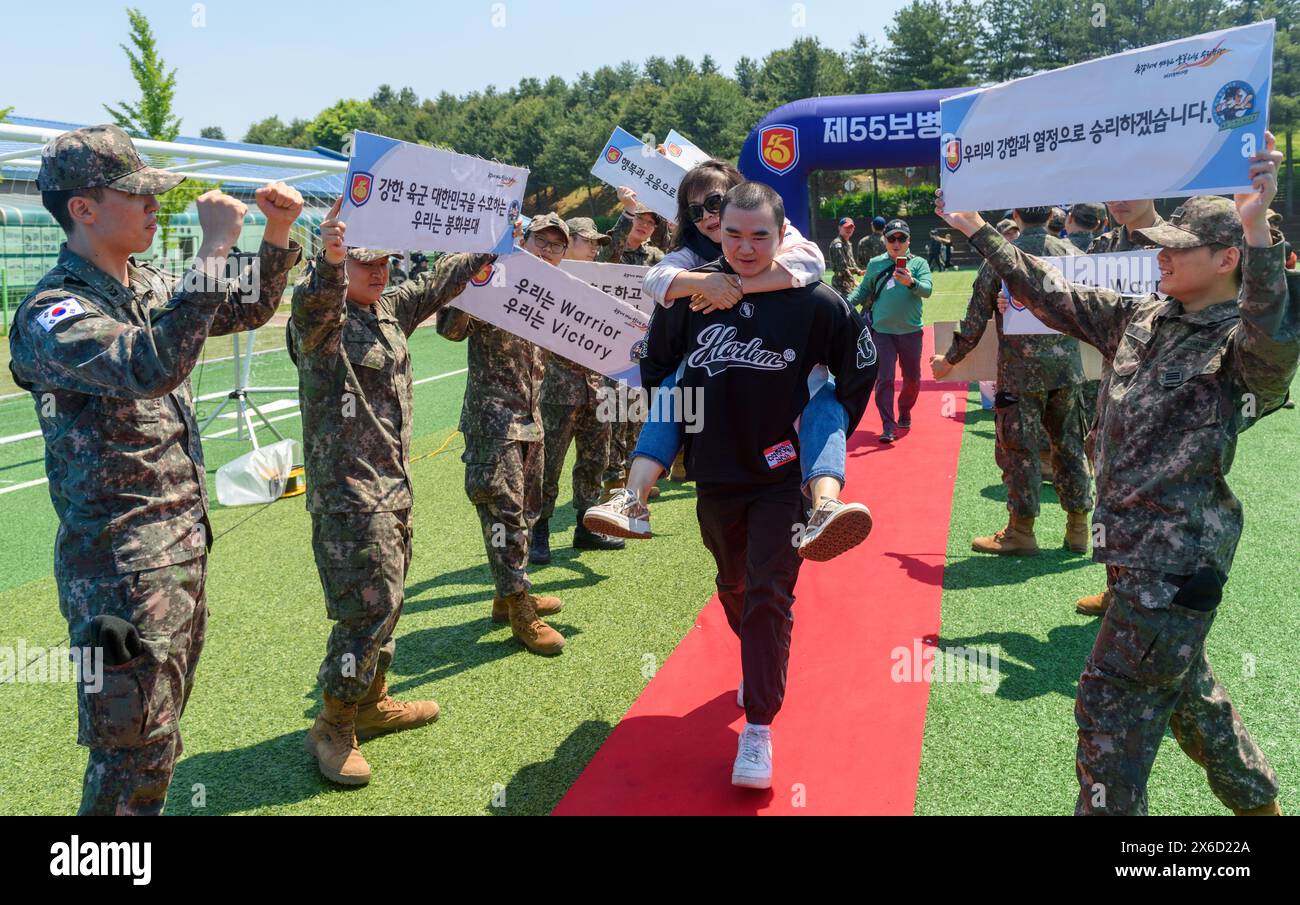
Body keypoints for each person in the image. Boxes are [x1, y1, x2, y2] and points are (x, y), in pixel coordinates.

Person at [935, 131, 1293, 817]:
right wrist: (978, 229)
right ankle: (1260, 809)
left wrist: (1258, 233)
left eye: (1176, 246)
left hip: (1174, 566)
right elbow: (1051, 291)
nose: (1160, 254)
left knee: (1107, 709)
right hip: (1130, 559)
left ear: (1224, 259)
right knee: (1190, 698)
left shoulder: (1240, 349)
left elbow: (1272, 344)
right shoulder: (1145, 316)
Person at [7, 124, 303, 814]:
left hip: (178, 550)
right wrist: (215, 248)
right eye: (134, 194)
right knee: (128, 750)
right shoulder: (52, 312)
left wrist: (279, 234)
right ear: (82, 209)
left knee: (158, 740)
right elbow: (151, 364)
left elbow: (248, 305)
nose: (153, 206)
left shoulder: (148, 281)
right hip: (115, 573)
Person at [642, 182, 877, 789]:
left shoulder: (814, 300)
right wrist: (678, 438)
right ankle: (757, 653)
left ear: (782, 236)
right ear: (717, 228)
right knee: (736, 584)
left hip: (781, 477)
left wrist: (829, 421)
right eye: (735, 234)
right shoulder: (689, 295)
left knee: (771, 591)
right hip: (716, 471)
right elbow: (658, 367)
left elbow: (860, 358)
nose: (746, 248)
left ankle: (759, 728)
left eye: (761, 236)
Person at [289, 198, 493, 785]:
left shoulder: (386, 310)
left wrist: (489, 243)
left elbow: (436, 283)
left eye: (383, 262)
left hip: (394, 487)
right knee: (365, 609)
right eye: (362, 263)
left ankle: (372, 700)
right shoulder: (321, 320)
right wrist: (328, 261)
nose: (377, 272)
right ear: (341, 264)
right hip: (350, 496)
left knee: (391, 600)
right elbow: (313, 300)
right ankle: (332, 724)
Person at [584, 159, 873, 562]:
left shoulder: (786, 244)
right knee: (672, 389)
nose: (709, 217)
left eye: (716, 203)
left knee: (824, 395)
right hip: (715, 420)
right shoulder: (688, 262)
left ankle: (825, 502)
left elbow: (810, 265)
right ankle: (633, 498)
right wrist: (704, 282)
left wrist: (738, 285)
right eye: (695, 209)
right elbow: (655, 282)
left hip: (779, 420)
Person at [436, 213, 568, 655]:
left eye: (557, 246)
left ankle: (507, 595)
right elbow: (450, 331)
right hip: (493, 425)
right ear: (522, 241)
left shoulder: (548, 296)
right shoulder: (490, 283)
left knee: (529, 512)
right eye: (541, 242)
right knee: (503, 518)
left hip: (532, 421)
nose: (548, 251)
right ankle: (519, 611)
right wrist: (478, 273)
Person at [930, 206, 1093, 556]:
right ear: (1052, 213)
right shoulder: (1075, 255)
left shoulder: (1002, 257)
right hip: (1067, 372)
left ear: (1016, 215)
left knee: (1020, 453)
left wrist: (948, 361)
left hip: (1019, 377)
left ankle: (1022, 532)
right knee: (1070, 449)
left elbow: (974, 322)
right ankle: (1078, 531)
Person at [531, 217, 626, 564]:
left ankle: (586, 527)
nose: (595, 248)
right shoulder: (545, 278)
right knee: (547, 468)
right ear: (569, 243)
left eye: (598, 243)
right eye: (588, 242)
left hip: (596, 389)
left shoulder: (600, 281)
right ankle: (538, 531)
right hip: (558, 391)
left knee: (593, 463)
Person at [599, 186, 665, 496]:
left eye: (650, 222)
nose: (644, 225)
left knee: (638, 405)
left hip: (644, 339)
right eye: (639, 218)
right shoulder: (610, 246)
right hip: (608, 336)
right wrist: (626, 211)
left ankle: (633, 473)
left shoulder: (655, 256)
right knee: (611, 406)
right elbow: (605, 260)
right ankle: (613, 476)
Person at [848, 218, 931, 443]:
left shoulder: (919, 263)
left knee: (912, 379)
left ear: (908, 240)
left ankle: (904, 410)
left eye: (901, 238)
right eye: (891, 238)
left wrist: (911, 283)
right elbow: (863, 290)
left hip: (911, 332)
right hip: (882, 332)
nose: (896, 243)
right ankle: (888, 424)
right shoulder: (876, 263)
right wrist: (844, 305)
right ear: (884, 240)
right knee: (884, 379)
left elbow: (927, 291)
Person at [827, 216, 862, 297]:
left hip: (848, 284)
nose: (849, 229)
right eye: (846, 227)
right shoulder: (837, 244)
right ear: (839, 228)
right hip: (840, 285)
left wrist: (858, 271)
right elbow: (842, 268)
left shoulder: (848, 243)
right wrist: (855, 281)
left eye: (851, 227)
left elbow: (850, 264)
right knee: (848, 307)